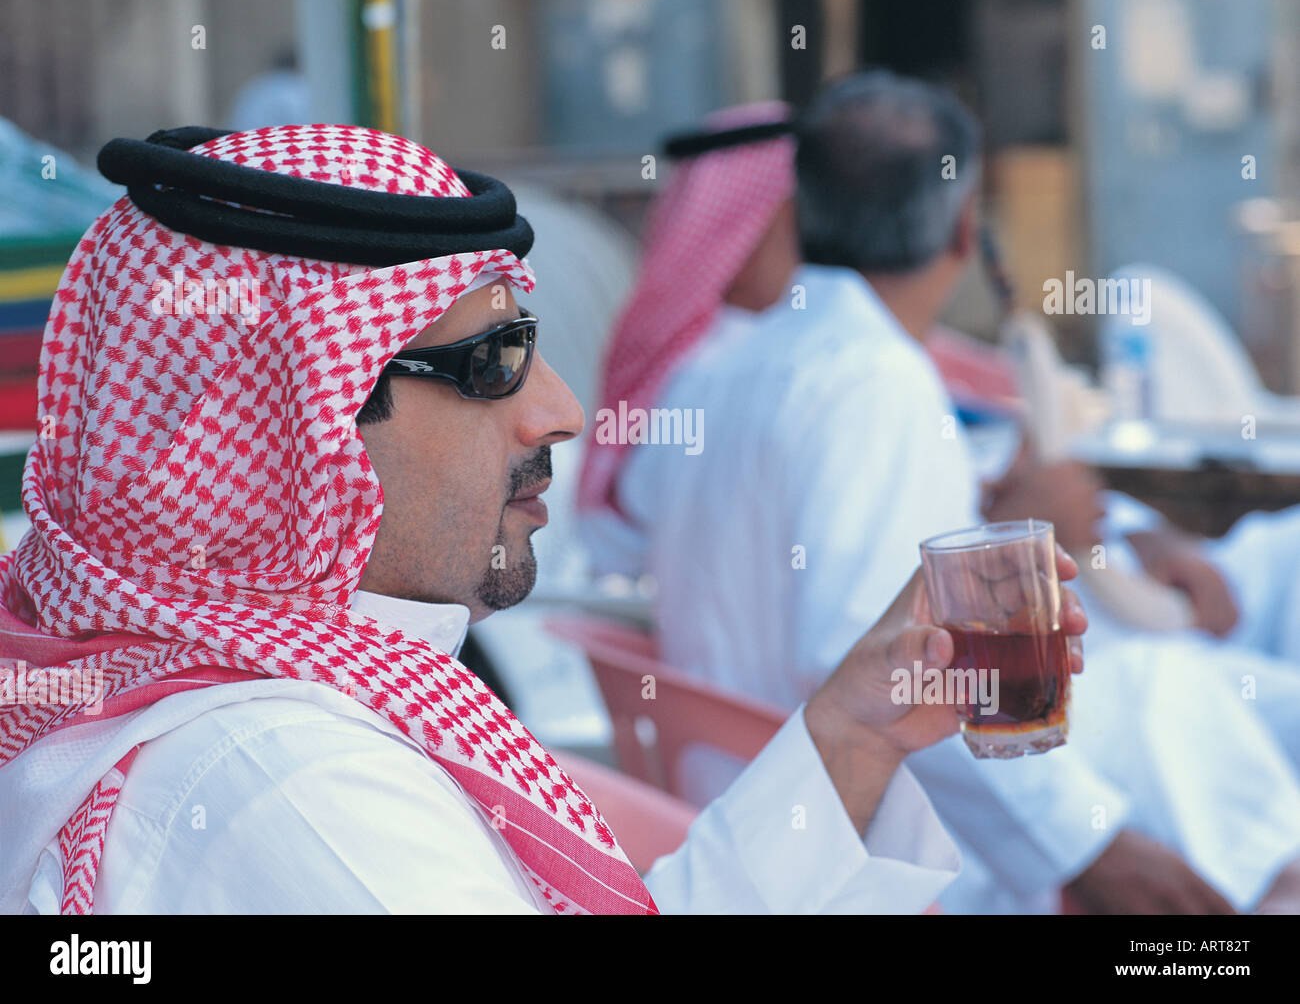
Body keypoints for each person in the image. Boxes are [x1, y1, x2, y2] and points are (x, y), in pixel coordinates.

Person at [0, 121, 1080, 915]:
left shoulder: (230, 690)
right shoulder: (294, 786)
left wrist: (854, 730)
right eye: (493, 362)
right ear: (276, 420)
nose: (560, 410)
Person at [580, 76, 1300, 915]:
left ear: (800, 213)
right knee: (1166, 697)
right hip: (867, 834)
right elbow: (879, 653)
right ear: (965, 228)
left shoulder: (710, 373)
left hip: (758, 791)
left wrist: (1007, 529)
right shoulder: (872, 378)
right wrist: (1088, 848)